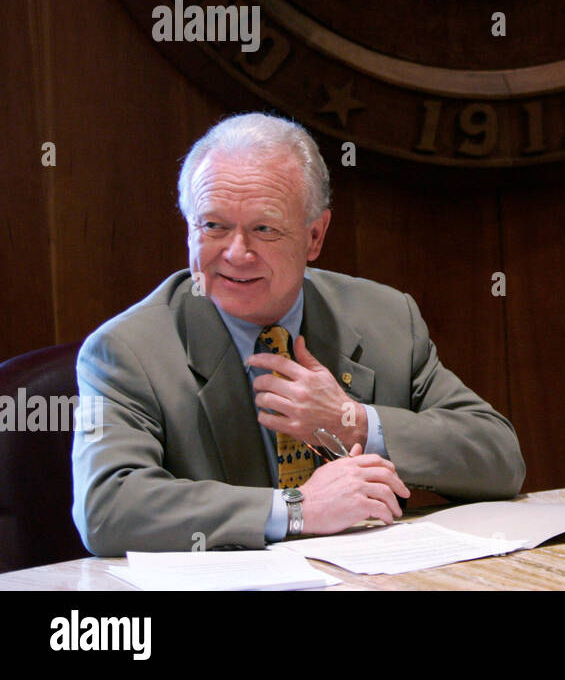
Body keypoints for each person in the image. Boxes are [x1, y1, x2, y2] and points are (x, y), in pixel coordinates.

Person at [72, 113, 525, 555]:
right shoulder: (125, 351)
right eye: (213, 226)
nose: (235, 253)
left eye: (263, 229)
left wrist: (353, 422)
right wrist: (296, 510)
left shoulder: (386, 318)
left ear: (315, 236)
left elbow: (499, 459)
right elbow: (106, 508)